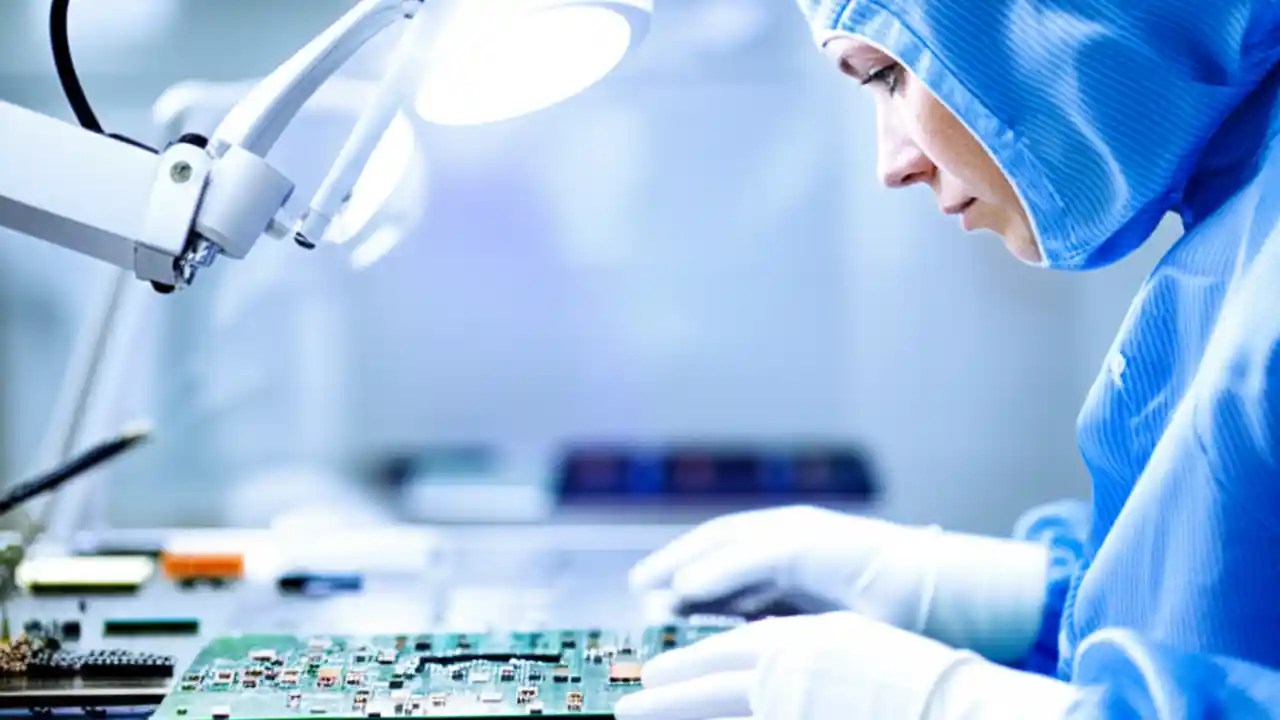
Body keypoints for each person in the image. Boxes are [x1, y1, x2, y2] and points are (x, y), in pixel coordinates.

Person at [613, 0, 1280, 717]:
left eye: (889, 74)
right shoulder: (1241, 215)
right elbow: (1224, 621)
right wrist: (1019, 596)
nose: (893, 166)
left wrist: (957, 704)